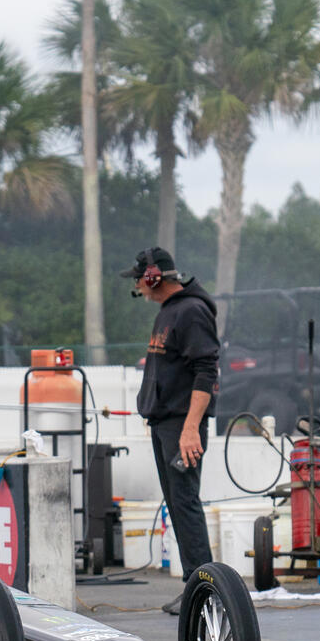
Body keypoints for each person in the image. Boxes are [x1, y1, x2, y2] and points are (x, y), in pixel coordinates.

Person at [122, 247, 219, 615]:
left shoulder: (191, 311)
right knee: (178, 506)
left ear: (152, 277)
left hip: (182, 425)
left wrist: (191, 429)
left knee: (185, 504)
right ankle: (196, 587)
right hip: (167, 424)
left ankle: (205, 589)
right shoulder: (169, 312)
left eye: (139, 277)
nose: (137, 284)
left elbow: (206, 371)